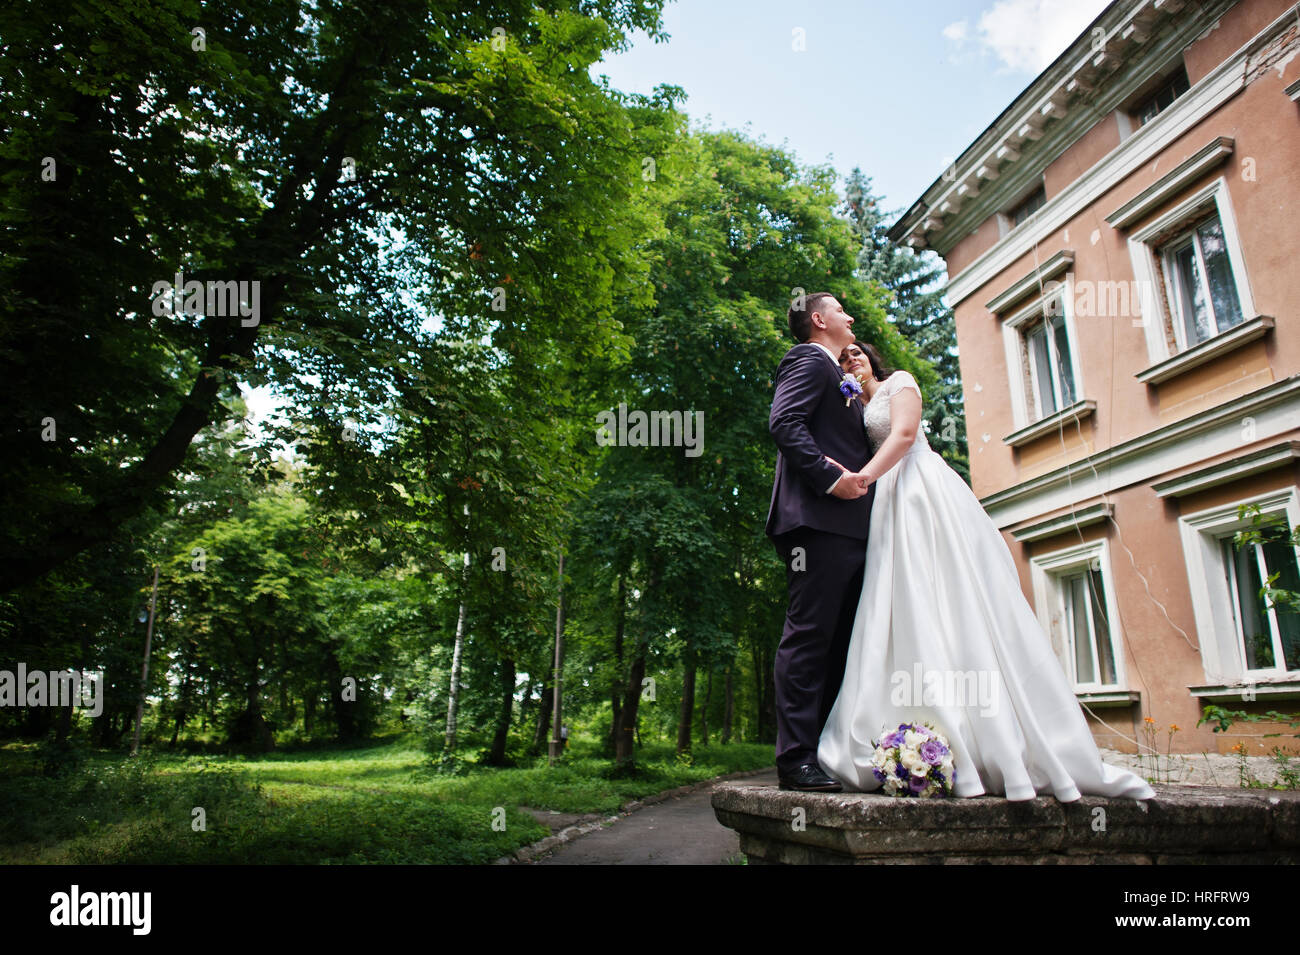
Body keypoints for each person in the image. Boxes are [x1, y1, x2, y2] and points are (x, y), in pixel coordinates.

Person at [816, 339, 1155, 802]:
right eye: (843, 357)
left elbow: (904, 436)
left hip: (919, 489)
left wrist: (864, 478)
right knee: (897, 601)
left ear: (872, 358)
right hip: (886, 503)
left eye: (857, 351)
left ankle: (996, 740)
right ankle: (910, 734)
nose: (850, 357)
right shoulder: (857, 405)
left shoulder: (900, 383)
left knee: (947, 589)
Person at [765, 292, 877, 792]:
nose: (850, 317)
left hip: (852, 527)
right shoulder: (808, 359)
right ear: (818, 320)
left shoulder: (841, 374)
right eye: (840, 311)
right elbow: (784, 424)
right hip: (817, 523)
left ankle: (827, 753)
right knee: (810, 639)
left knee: (842, 645)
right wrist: (833, 478)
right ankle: (795, 761)